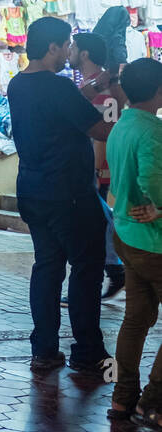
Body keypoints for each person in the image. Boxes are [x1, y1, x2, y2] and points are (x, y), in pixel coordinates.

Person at [9, 16, 114, 374]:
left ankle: (44, 350)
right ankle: (87, 351)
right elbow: (99, 129)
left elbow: (54, 111)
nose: (70, 50)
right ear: (52, 46)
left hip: (34, 191)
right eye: (66, 44)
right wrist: (130, 113)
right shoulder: (58, 87)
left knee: (48, 267)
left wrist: (85, 92)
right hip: (69, 193)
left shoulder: (18, 84)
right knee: (86, 268)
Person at [104, 58, 162, 426]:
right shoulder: (151, 130)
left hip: (125, 235)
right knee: (136, 319)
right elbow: (152, 180)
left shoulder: (122, 125)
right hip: (153, 243)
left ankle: (123, 398)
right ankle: (153, 401)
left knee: (136, 319)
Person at [72, 31, 127, 299]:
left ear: (84, 54)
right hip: (91, 165)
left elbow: (107, 130)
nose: (69, 51)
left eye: (73, 47)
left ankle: (113, 271)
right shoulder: (94, 83)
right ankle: (113, 271)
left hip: (97, 166)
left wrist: (96, 170)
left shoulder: (104, 86)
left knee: (97, 221)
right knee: (98, 221)